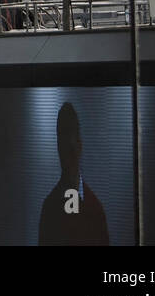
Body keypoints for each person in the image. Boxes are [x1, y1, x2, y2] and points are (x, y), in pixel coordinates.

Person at [38, 102, 110, 245]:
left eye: (71, 148)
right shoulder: (95, 208)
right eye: (66, 146)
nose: (69, 155)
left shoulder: (95, 209)